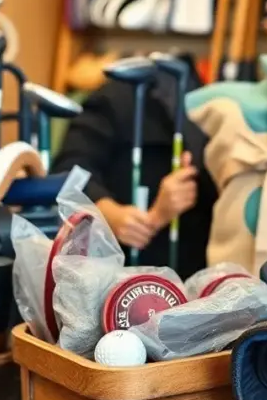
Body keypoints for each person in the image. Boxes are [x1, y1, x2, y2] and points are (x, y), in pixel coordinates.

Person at [52, 58, 216, 278]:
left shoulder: (215, 104)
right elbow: (68, 170)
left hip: (192, 275)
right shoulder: (116, 98)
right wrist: (110, 214)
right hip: (114, 272)